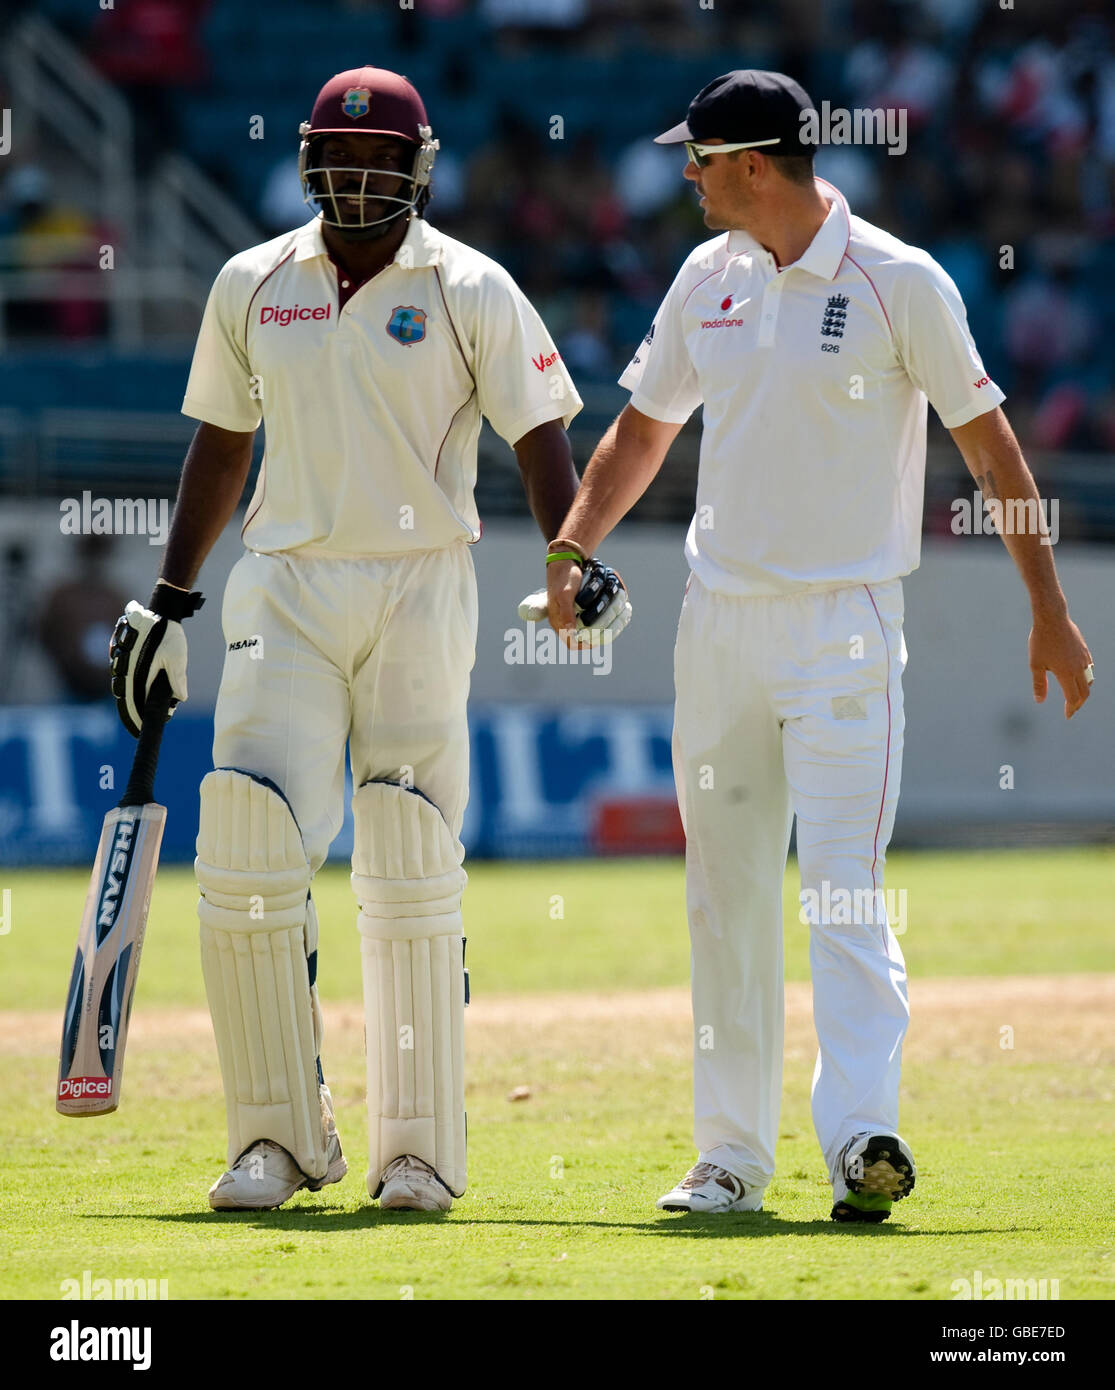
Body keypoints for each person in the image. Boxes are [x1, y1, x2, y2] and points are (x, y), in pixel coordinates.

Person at [546, 70, 1095, 1224]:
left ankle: (860, 1137)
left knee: (842, 891)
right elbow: (640, 431)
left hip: (844, 629)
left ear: (750, 164)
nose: (683, 178)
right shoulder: (708, 276)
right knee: (725, 894)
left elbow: (992, 454)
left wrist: (1045, 609)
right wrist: (567, 544)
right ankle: (730, 1160)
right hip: (719, 627)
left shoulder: (902, 282)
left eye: (697, 161)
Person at [108, 66, 628, 1214]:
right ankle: (276, 1143)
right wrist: (169, 595)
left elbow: (540, 438)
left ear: (415, 168)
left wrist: (568, 560)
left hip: (418, 588)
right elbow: (218, 443)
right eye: (334, 163)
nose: (352, 181)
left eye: (375, 163)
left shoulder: (469, 287)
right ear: (306, 162)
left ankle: (417, 1153)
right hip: (284, 587)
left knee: (405, 851)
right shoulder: (252, 282)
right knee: (245, 841)